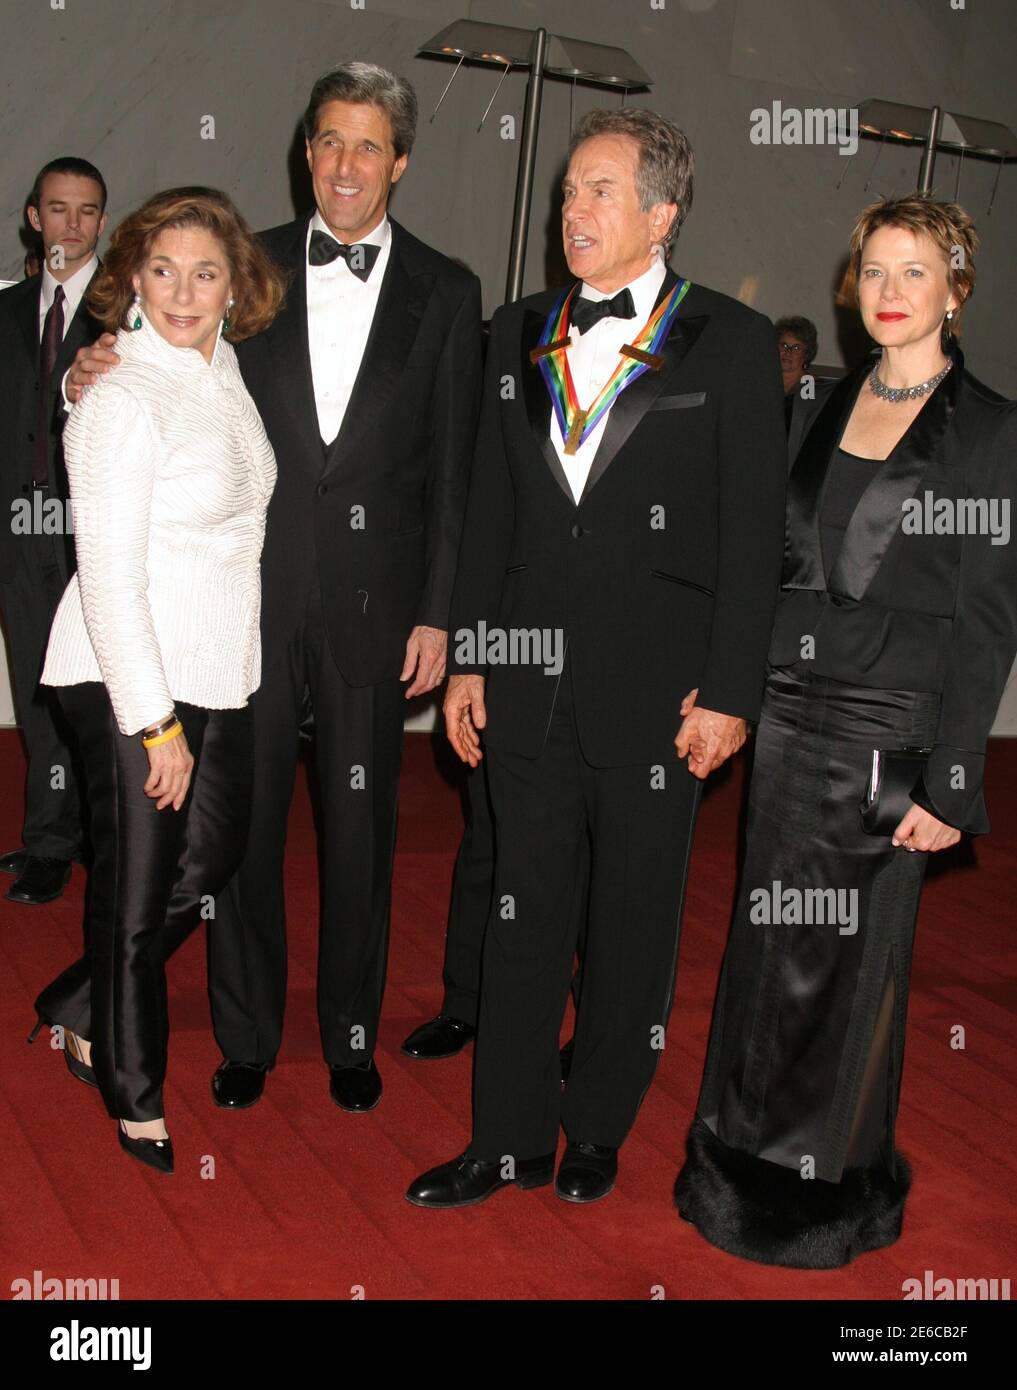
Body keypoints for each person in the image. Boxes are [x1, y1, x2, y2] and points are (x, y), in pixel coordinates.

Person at [67, 62, 482, 1115]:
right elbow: (151, 336)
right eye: (327, 141)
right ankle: (246, 1033)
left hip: (378, 612)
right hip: (245, 610)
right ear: (308, 153)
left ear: (401, 160)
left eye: (367, 145)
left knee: (362, 835)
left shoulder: (450, 289)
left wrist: (441, 608)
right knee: (240, 842)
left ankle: (349, 1036)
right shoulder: (241, 268)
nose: (344, 164)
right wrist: (87, 367)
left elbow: (455, 467)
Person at [407, 107, 787, 1209]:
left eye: (601, 192)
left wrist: (729, 692)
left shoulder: (730, 340)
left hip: (659, 696)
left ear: (663, 213)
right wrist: (473, 657)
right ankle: (505, 1136)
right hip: (524, 680)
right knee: (519, 915)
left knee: (629, 926)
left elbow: (755, 537)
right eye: (569, 191)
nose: (572, 211)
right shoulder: (516, 329)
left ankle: (599, 1126)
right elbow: (489, 515)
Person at [674, 195, 1017, 1268]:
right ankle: (734, 1158)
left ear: (956, 292)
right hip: (792, 710)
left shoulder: (994, 432)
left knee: (854, 959)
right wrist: (727, 686)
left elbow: (989, 621)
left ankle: (826, 1185)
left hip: (892, 732)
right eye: (874, 270)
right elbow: (777, 565)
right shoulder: (823, 399)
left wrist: (951, 785)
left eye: (916, 273)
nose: (890, 291)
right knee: (767, 938)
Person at [31, 187, 283, 1174]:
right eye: (164, 269)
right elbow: (110, 572)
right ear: (131, 277)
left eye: (206, 271)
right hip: (126, 672)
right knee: (137, 896)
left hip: (217, 669)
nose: (184, 290)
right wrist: (153, 723)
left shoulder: (220, 368)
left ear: (235, 287)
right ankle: (135, 1092)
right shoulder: (119, 393)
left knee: (208, 859)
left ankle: (78, 1001)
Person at [0, 158, 106, 906]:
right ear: (34, 217)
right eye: (58, 209)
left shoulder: (128, 312)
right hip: (19, 526)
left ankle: (104, 843)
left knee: (98, 693)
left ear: (103, 220)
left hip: (96, 527)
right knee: (35, 688)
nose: (72, 224)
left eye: (87, 211)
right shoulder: (5, 315)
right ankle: (47, 842)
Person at [775, 314, 817, 432]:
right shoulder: (763, 380)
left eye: (796, 348)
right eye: (784, 345)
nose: (788, 352)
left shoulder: (810, 385)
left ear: (806, 354)